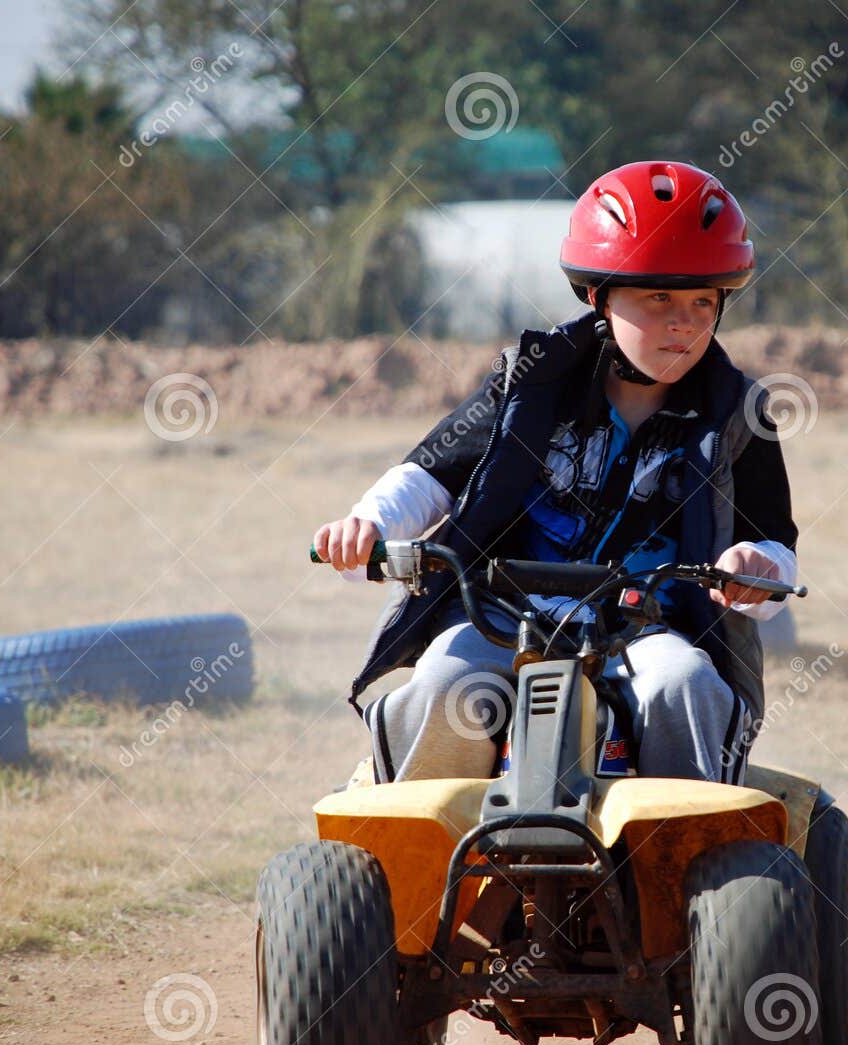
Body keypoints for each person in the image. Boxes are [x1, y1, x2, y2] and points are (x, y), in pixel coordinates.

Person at [313, 160, 797, 785]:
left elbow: (774, 543)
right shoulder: (529, 381)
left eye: (704, 299)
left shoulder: (740, 412)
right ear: (598, 295)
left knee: (686, 683)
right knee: (442, 682)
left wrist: (759, 570)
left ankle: (689, 865)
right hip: (499, 617)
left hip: (648, 627)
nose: (685, 320)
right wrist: (368, 523)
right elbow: (432, 473)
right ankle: (423, 857)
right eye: (659, 298)